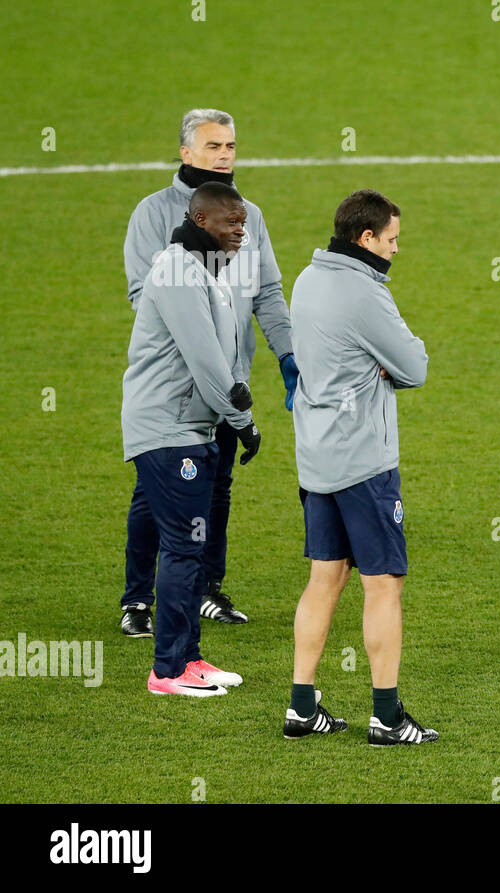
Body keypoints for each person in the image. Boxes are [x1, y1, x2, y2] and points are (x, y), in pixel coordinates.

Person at [119, 108, 295, 635]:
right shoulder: (152, 214)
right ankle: (137, 599)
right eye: (214, 146)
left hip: (231, 380)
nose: (224, 155)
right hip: (177, 390)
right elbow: (142, 295)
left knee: (218, 486)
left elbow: (266, 291)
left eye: (231, 146)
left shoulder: (249, 215)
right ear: (186, 152)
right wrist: (201, 350)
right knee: (154, 495)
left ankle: (205, 589)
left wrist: (288, 355)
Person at [282, 189, 436, 745]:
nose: (396, 250)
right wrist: (383, 363)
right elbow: (414, 365)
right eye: (391, 239)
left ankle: (302, 706)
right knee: (384, 585)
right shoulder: (363, 293)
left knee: (324, 579)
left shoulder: (307, 279)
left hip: (316, 457)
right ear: (365, 238)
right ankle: (387, 717)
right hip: (363, 463)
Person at [122, 181, 263, 696]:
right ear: (201, 221)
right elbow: (206, 363)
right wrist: (241, 421)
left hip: (191, 426)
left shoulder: (203, 268)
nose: (241, 232)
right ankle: (167, 670)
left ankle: (189, 657)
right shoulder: (179, 272)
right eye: (232, 223)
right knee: (183, 547)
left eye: (244, 223)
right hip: (168, 429)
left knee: (191, 546)